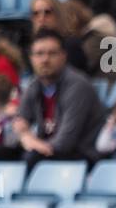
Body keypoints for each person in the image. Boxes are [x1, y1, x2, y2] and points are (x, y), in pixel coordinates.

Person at [9, 29, 105, 166]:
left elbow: (64, 144)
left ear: (63, 56)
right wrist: (25, 137)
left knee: (32, 157)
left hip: (80, 155)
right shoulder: (34, 85)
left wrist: (29, 139)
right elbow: (16, 128)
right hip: (45, 150)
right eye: (39, 54)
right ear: (31, 58)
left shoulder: (78, 86)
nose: (45, 59)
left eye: (52, 53)